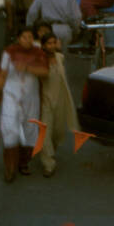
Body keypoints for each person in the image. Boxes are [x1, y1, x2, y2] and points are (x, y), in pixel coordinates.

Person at [0, 26, 50, 182]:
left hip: (31, 98)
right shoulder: (9, 53)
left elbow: (45, 72)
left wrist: (28, 68)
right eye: (24, 37)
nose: (28, 40)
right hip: (11, 96)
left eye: (30, 37)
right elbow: (2, 76)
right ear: (18, 38)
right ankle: (9, 168)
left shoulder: (39, 53)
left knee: (30, 129)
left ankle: (23, 163)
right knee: (10, 129)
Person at [38, 31, 79, 178]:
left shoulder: (59, 58)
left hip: (60, 99)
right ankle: (48, 164)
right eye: (48, 43)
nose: (52, 46)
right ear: (43, 45)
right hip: (46, 100)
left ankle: (50, 152)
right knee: (45, 131)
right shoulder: (40, 60)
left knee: (58, 131)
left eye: (54, 42)